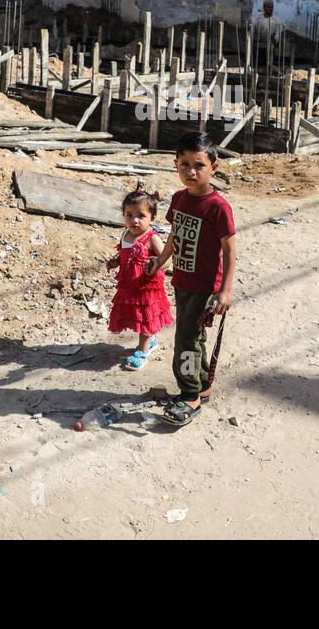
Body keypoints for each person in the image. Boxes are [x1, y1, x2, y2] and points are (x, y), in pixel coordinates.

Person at [145, 132, 236, 428]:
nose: (191, 171)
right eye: (184, 164)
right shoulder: (179, 199)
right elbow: (174, 236)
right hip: (182, 282)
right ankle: (201, 384)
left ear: (214, 167)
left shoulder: (218, 207)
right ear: (175, 164)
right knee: (193, 337)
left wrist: (225, 291)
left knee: (185, 339)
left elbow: (229, 249)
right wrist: (159, 262)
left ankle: (189, 396)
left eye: (198, 165)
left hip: (204, 287)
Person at [105, 185, 173, 370]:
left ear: (151, 217)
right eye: (129, 215)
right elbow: (124, 254)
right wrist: (115, 262)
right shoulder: (126, 235)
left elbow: (166, 259)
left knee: (145, 318)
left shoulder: (152, 238)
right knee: (136, 316)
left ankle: (143, 351)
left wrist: (156, 263)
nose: (134, 220)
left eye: (141, 216)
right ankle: (150, 341)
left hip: (146, 286)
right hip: (129, 284)